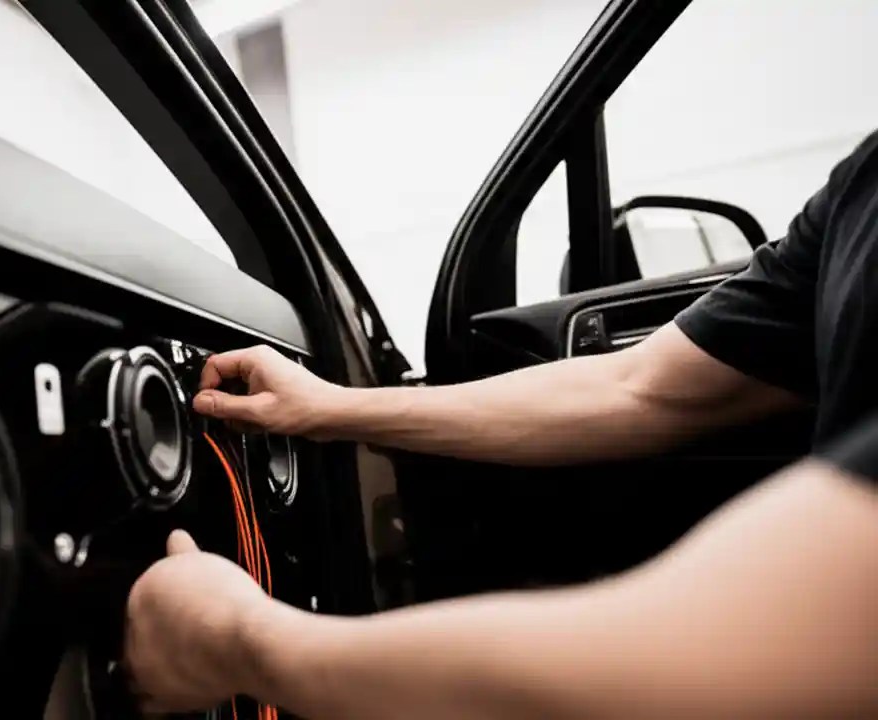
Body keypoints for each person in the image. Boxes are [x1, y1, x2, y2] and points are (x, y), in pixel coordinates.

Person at [122, 129, 878, 720]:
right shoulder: (862, 189)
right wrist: (329, 407)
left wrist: (229, 642)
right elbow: (641, 386)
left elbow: (718, 660)